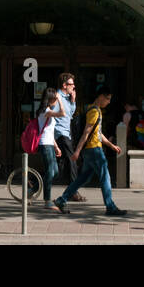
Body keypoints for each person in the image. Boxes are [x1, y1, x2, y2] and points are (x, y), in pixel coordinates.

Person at [53, 85, 126, 217]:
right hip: (94, 150)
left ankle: (61, 200)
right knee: (105, 177)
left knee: (82, 179)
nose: (109, 102)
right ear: (100, 97)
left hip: (90, 150)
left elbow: (97, 133)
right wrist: (77, 152)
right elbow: (86, 133)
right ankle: (110, 207)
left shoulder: (95, 110)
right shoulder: (94, 112)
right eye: (107, 98)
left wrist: (111, 145)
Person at [52, 72, 86, 201]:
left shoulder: (67, 98)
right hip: (60, 134)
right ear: (64, 85)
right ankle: (73, 191)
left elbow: (70, 115)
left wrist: (73, 101)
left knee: (57, 166)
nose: (74, 87)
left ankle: (34, 183)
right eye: (72, 84)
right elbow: (51, 115)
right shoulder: (56, 97)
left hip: (66, 133)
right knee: (72, 161)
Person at [35, 86, 65, 208]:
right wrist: (61, 100)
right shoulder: (45, 111)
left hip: (49, 144)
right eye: (56, 99)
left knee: (55, 172)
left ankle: (33, 190)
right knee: (50, 171)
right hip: (44, 144)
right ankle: (47, 200)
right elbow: (62, 113)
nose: (57, 101)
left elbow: (49, 131)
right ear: (51, 99)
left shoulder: (48, 111)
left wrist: (56, 147)